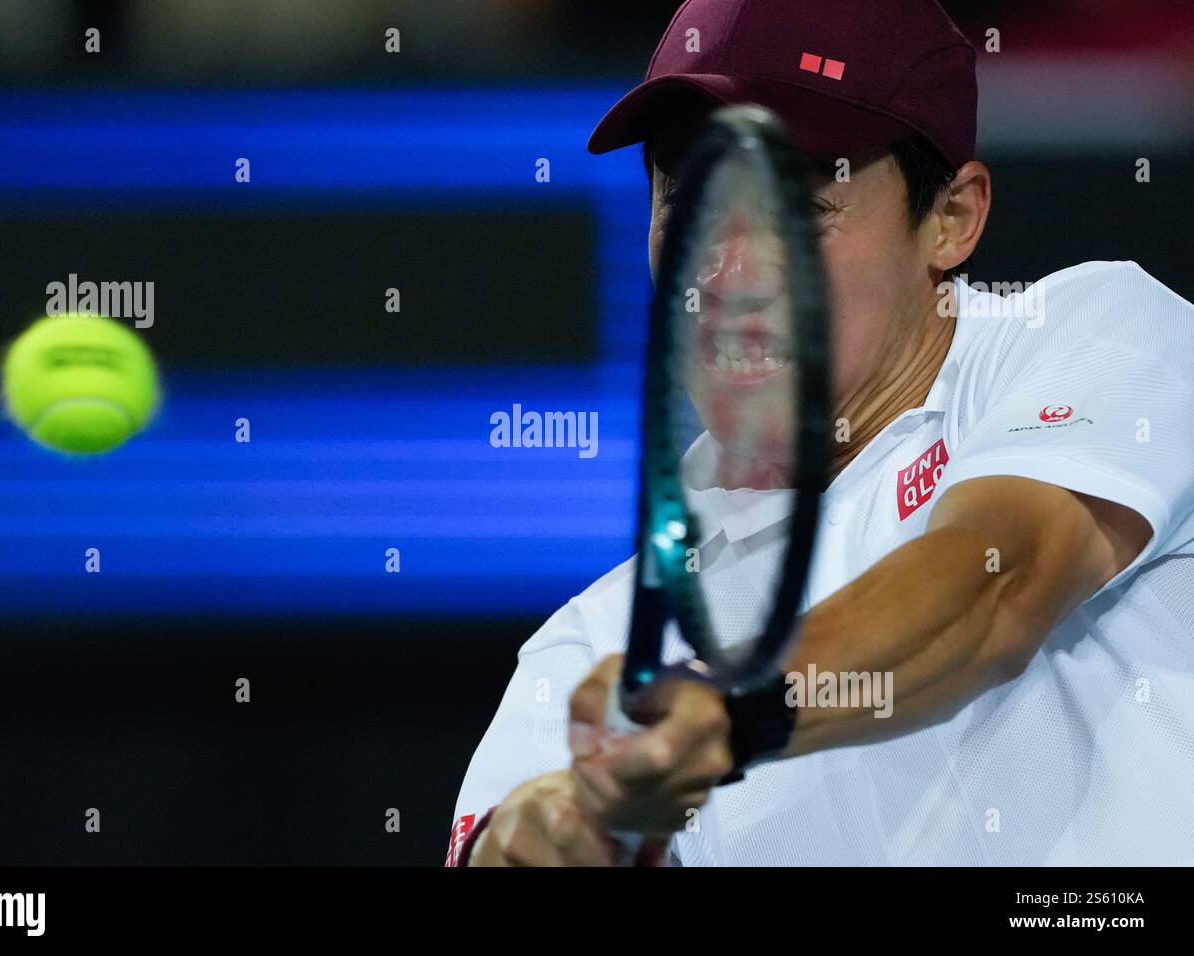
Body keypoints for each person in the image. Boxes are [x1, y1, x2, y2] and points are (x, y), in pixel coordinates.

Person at [448, 0, 1194, 867]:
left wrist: (731, 713)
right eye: (687, 202)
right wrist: (540, 844)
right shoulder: (586, 649)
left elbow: (997, 586)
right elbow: (522, 836)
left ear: (952, 216)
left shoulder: (1097, 330)